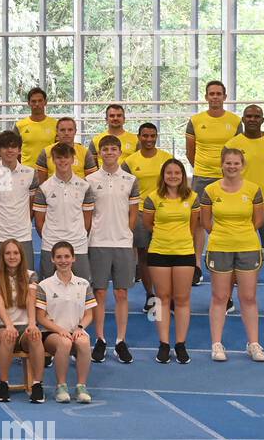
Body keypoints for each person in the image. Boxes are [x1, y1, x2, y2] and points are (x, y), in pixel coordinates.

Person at [200, 147, 264, 362]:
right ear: (222, 164)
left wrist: (242, 233)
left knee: (248, 297)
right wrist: (223, 234)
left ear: (242, 165)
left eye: (236, 163)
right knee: (220, 297)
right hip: (220, 247)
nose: (232, 166)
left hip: (248, 247)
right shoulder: (210, 190)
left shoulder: (253, 189)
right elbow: (205, 222)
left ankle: (253, 344)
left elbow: (258, 221)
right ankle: (217, 344)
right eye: (228, 163)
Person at [86, 135, 141, 364]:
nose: (109, 152)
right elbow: (87, 212)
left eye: (113, 149)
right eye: (105, 149)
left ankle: (120, 340)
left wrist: (126, 234)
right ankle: (100, 339)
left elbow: (134, 212)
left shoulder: (130, 179)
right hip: (97, 242)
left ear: (120, 152)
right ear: (99, 153)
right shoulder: (89, 180)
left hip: (122, 243)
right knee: (99, 292)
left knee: (121, 293)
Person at [143, 158, 202, 365]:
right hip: (159, 252)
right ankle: (164, 344)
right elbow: (148, 224)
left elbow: (193, 228)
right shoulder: (152, 198)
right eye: (169, 173)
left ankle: (180, 344)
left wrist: (181, 241)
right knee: (162, 299)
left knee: (182, 299)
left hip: (184, 253)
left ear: (183, 176)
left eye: (177, 172)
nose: (173, 176)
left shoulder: (193, 198)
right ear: (163, 175)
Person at [186, 80, 242, 284]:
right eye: (212, 93)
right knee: (199, 221)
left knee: (229, 219)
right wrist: (201, 169)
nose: (215, 97)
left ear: (225, 97)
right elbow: (190, 150)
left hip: (228, 178)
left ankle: (230, 264)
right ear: (206, 97)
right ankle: (197, 266)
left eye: (219, 93)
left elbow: (239, 150)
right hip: (202, 177)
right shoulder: (196, 120)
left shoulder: (235, 121)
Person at [225, 104, 264, 270]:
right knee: (237, 250)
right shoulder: (231, 144)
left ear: (262, 120)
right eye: (249, 116)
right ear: (243, 119)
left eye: (256, 116)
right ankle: (233, 287)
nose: (252, 119)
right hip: (240, 206)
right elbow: (227, 176)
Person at [36, 242, 98, 404]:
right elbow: (40, 317)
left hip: (75, 330)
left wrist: (80, 327)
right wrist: (59, 330)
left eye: (66, 256)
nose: (63, 260)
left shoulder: (83, 284)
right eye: (59, 257)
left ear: (73, 258)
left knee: (84, 341)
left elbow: (89, 314)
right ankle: (61, 386)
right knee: (64, 342)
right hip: (51, 333)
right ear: (52, 260)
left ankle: (81, 387)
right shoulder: (44, 285)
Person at [121, 122, 173, 313]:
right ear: (139, 137)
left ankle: (168, 296)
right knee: (144, 255)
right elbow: (123, 189)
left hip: (164, 212)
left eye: (152, 136)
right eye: (145, 136)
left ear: (156, 137)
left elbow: (175, 182)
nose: (149, 139)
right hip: (141, 211)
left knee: (166, 255)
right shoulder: (130, 162)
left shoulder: (166, 158)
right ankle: (150, 295)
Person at [0, 238, 45, 402]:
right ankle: (3, 383)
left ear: (21, 255)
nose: (12, 257)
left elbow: (30, 299)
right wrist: (9, 325)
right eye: (8, 253)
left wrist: (32, 324)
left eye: (15, 253)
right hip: (1, 327)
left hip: (25, 326)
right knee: (8, 335)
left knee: (35, 336)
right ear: (2, 256)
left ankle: (37, 384)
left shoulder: (31, 275)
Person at [33, 142, 95, 284]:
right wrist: (50, 237)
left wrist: (77, 234)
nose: (63, 161)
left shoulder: (85, 187)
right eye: (59, 158)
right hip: (50, 245)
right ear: (53, 160)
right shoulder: (44, 188)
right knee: (47, 289)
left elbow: (87, 220)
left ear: (73, 159)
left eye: (66, 157)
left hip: (78, 245)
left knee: (82, 289)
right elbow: (39, 222)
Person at [0, 130, 38, 275]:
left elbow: (32, 205)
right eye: (5, 147)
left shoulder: (31, 173)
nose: (9, 150)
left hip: (23, 236)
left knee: (26, 280)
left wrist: (22, 222)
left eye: (13, 146)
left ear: (19, 150)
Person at [34, 116, 96, 184]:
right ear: (57, 132)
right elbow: (41, 183)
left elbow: (91, 181)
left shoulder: (85, 152)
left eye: (70, 130)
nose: (66, 133)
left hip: (79, 192)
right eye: (62, 130)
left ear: (75, 131)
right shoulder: (46, 152)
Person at [15, 87, 57, 169]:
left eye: (40, 101)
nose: (37, 104)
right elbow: (14, 151)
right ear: (28, 103)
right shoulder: (19, 125)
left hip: (49, 170)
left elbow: (60, 150)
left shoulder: (55, 124)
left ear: (45, 102)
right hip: (26, 171)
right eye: (33, 101)